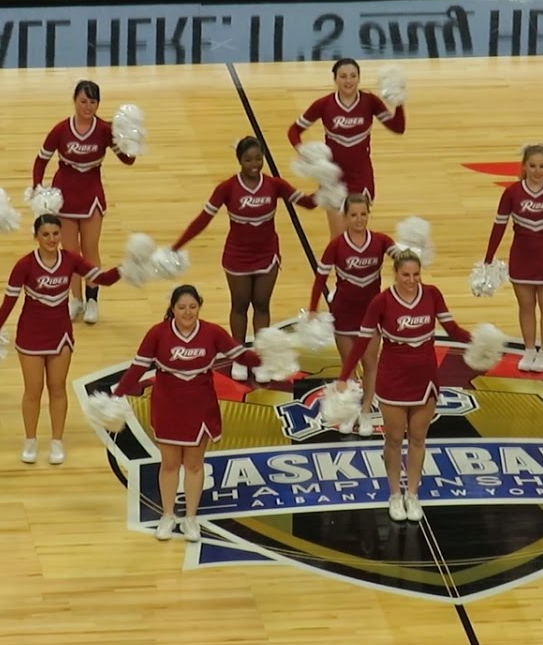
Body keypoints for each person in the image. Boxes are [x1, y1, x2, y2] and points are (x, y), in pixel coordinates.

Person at [111, 285, 261, 542]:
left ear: (200, 306)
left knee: (193, 465)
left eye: (193, 307)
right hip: (167, 405)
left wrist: (274, 356)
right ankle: (168, 515)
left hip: (200, 406)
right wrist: (115, 397)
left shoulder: (212, 332)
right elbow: (137, 368)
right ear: (172, 308)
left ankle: (191, 518)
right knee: (169, 464)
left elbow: (242, 356)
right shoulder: (157, 334)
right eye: (181, 307)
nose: (187, 312)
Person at [336, 250, 474, 522]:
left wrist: (479, 341)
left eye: (416, 275)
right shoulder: (381, 302)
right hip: (393, 378)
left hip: (425, 378)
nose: (411, 280)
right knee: (394, 439)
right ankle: (394, 495)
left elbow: (453, 330)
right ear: (395, 274)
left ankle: (412, 494)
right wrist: (343, 376)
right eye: (405, 275)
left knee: (419, 439)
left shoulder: (432, 295)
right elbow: (362, 342)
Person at [171, 137, 319, 380]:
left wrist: (326, 183)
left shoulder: (275, 185)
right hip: (237, 256)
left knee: (261, 305)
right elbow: (202, 220)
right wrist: (177, 245)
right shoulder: (227, 188)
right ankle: (239, 356)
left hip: (267, 255)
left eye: (258, 159)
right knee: (239, 305)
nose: (254, 164)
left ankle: (260, 357)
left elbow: (308, 203)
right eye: (248, 159)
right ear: (239, 160)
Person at [0, 214, 122, 465]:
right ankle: (30, 441)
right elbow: (9, 302)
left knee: (58, 388)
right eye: (46, 235)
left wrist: (126, 268)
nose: (51, 239)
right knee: (33, 390)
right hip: (30, 334)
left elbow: (102, 279)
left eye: (55, 234)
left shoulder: (71, 260)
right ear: (36, 236)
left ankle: (57, 441)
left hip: (60, 334)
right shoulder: (24, 265)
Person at [31, 79, 137, 325]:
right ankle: (75, 300)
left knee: (90, 250)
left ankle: (92, 300)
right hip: (64, 197)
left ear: (98, 104)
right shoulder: (61, 129)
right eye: (83, 101)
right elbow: (40, 160)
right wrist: (38, 188)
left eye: (92, 102)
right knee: (69, 252)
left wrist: (129, 141)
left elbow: (128, 160)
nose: (87, 106)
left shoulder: (104, 130)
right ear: (74, 101)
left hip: (91, 196)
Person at [309, 194, 396, 436]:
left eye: (363, 214)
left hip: (371, 314)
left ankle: (367, 411)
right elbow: (320, 279)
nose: (359, 219)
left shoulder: (380, 241)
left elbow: (404, 261)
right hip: (344, 314)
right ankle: (350, 411)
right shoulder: (336, 245)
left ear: (369, 214)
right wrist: (313, 309)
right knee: (349, 366)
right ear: (346, 217)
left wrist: (415, 250)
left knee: (370, 363)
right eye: (354, 215)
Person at [287, 58, 406, 235]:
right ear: (335, 79)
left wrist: (399, 102)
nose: (348, 81)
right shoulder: (324, 104)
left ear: (359, 78)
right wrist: (305, 154)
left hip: (362, 177)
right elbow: (294, 130)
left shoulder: (370, 102)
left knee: (357, 235)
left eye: (353, 76)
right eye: (343, 76)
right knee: (338, 240)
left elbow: (398, 128)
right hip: (333, 179)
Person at [482, 144, 543, 372]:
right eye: (532, 165)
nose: (537, 170)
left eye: (542, 166)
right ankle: (530, 349)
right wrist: (488, 258)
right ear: (524, 166)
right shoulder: (512, 192)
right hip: (521, 255)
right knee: (525, 306)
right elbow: (499, 226)